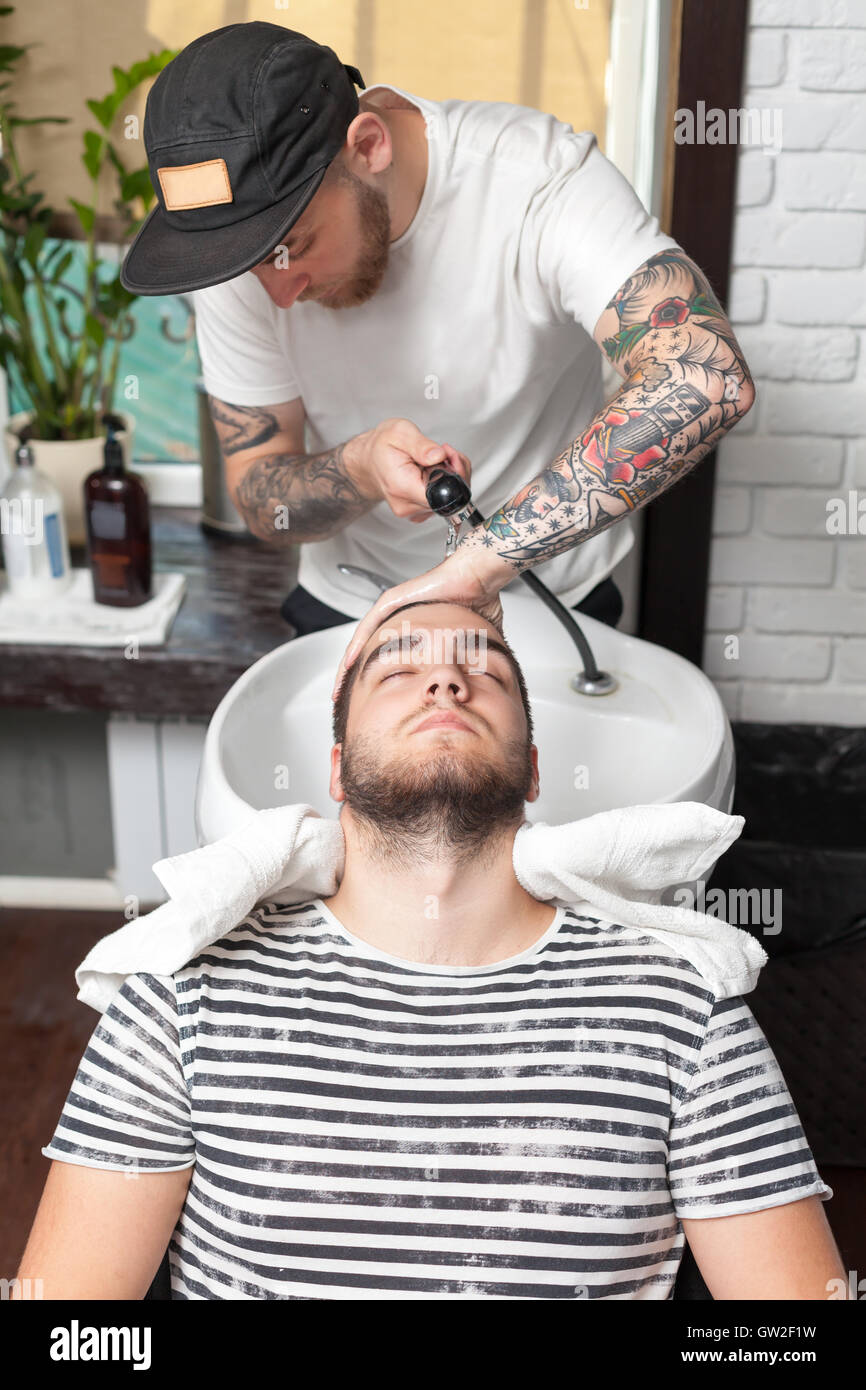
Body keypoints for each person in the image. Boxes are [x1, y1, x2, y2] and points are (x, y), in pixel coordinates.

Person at [18, 602, 843, 1300]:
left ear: (532, 772)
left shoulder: (680, 1008)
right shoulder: (183, 998)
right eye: (397, 670)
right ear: (337, 771)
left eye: (484, 670)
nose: (447, 680)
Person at [118, 22, 754, 650]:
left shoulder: (539, 182)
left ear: (367, 147)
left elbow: (704, 376)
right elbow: (260, 490)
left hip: (550, 606)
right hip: (348, 605)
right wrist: (360, 467)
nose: (280, 294)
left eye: (293, 248)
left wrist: (479, 565)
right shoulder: (234, 253)